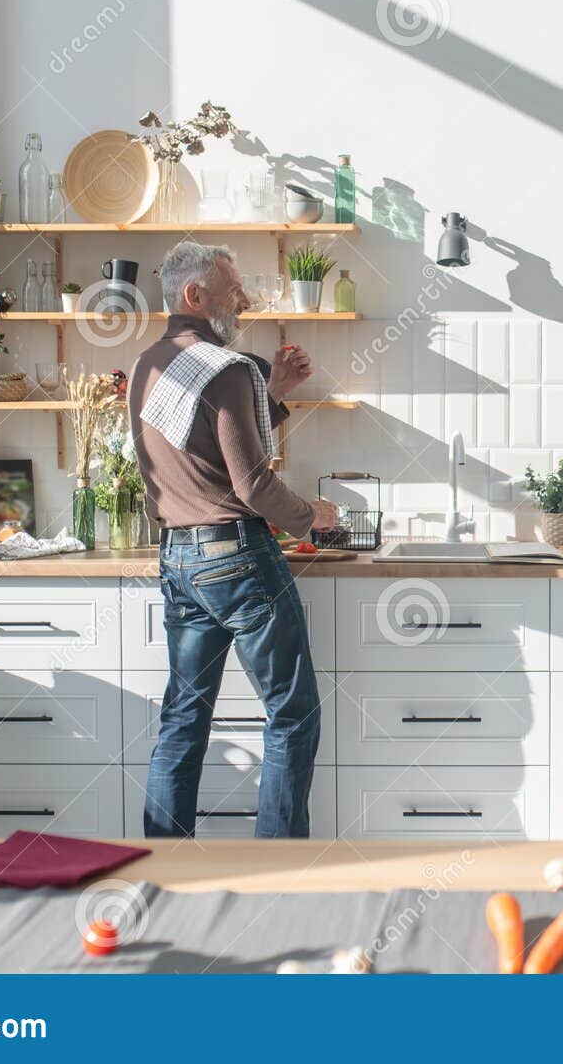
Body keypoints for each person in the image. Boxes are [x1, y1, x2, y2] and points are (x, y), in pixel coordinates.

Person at [129, 241, 338, 837]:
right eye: (232, 289)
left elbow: (203, 444)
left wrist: (276, 392)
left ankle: (166, 864)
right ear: (195, 296)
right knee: (292, 716)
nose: (243, 299)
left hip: (178, 558)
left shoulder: (149, 364)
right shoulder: (224, 368)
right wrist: (311, 517)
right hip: (238, 560)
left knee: (183, 718)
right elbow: (250, 484)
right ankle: (276, 865)